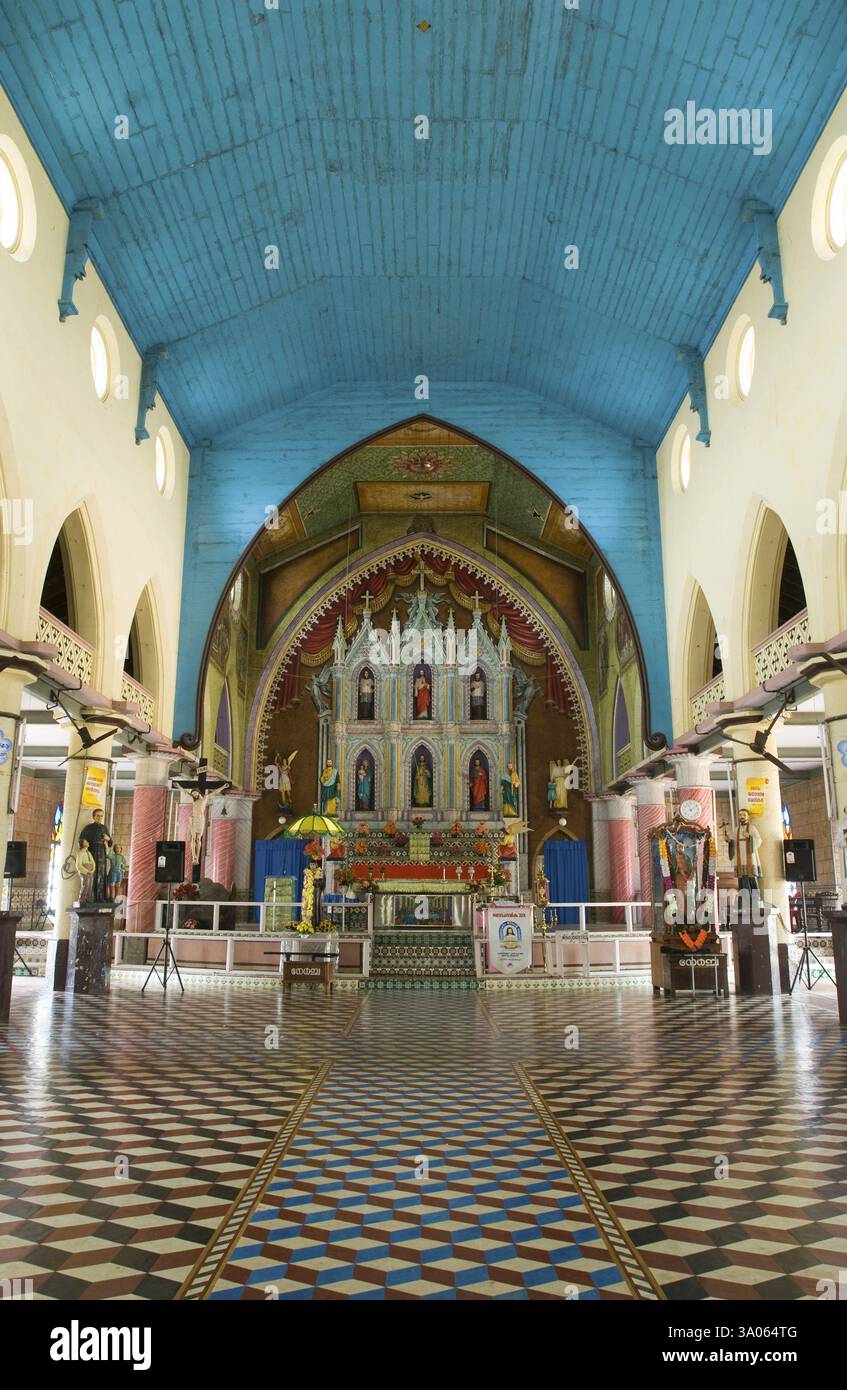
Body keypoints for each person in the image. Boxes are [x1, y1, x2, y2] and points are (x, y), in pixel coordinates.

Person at [78, 809, 112, 902]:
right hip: (91, 853)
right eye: (97, 816)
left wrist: (108, 839)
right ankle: (90, 897)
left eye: (101, 816)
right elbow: (81, 841)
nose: (100, 818)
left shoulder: (104, 828)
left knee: (101, 875)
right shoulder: (88, 828)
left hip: (102, 853)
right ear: (93, 817)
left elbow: (110, 843)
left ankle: (101, 897)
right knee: (91, 875)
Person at [77, 839, 95, 904]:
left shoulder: (89, 853)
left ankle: (88, 899)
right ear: (82, 844)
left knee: (90, 885)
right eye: (86, 842)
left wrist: (93, 869)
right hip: (85, 871)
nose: (88, 842)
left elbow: (93, 862)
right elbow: (78, 865)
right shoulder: (80, 853)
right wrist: (86, 871)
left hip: (90, 870)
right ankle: (82, 900)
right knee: (85, 885)